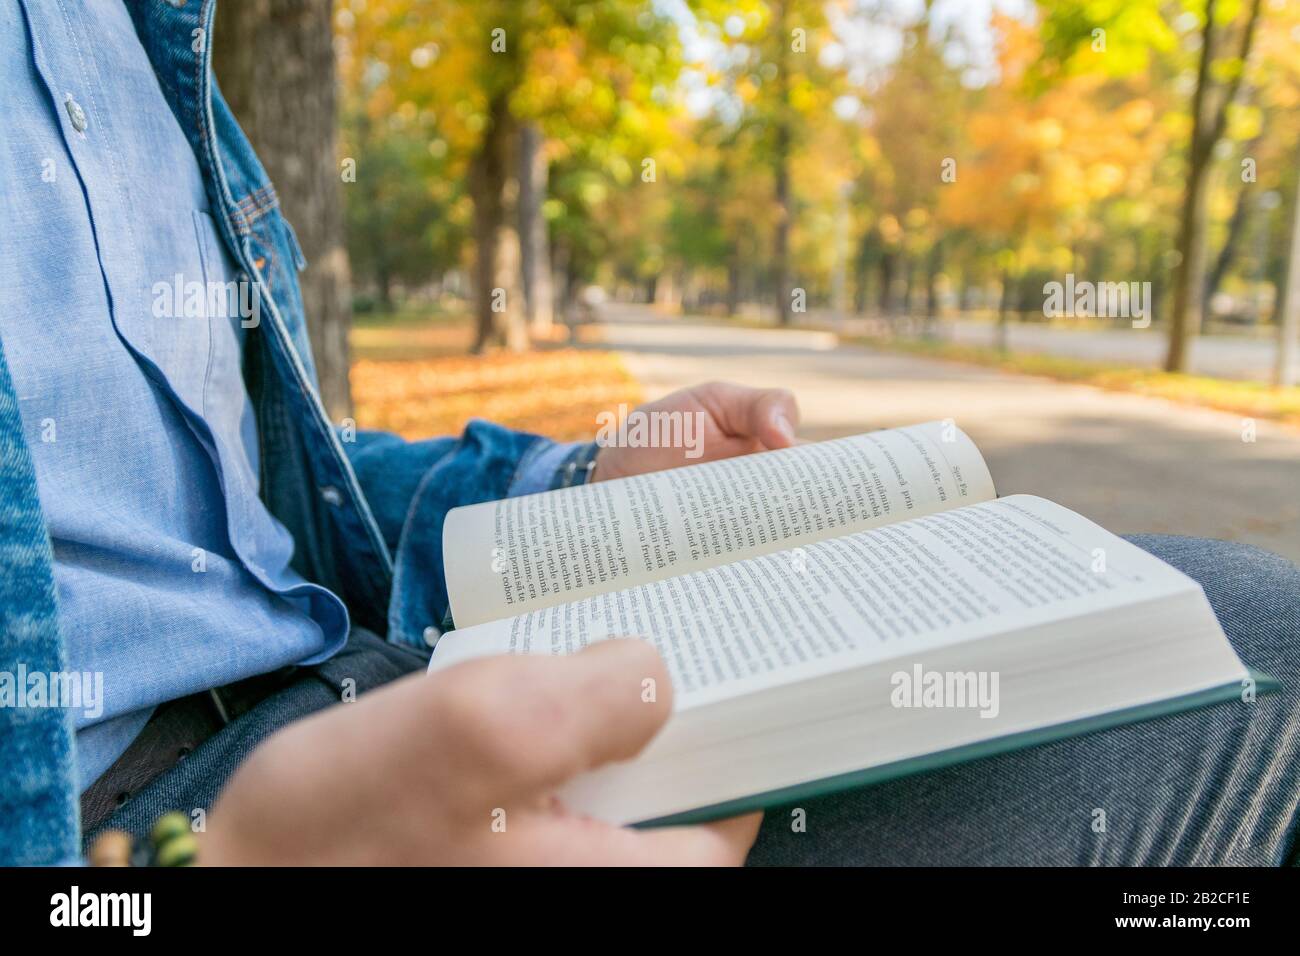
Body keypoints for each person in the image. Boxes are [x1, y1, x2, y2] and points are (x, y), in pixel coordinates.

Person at [1, 0, 1296, 867]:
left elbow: (245, 499)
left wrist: (580, 477)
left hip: (362, 684)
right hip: (127, 833)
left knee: (1253, 628)